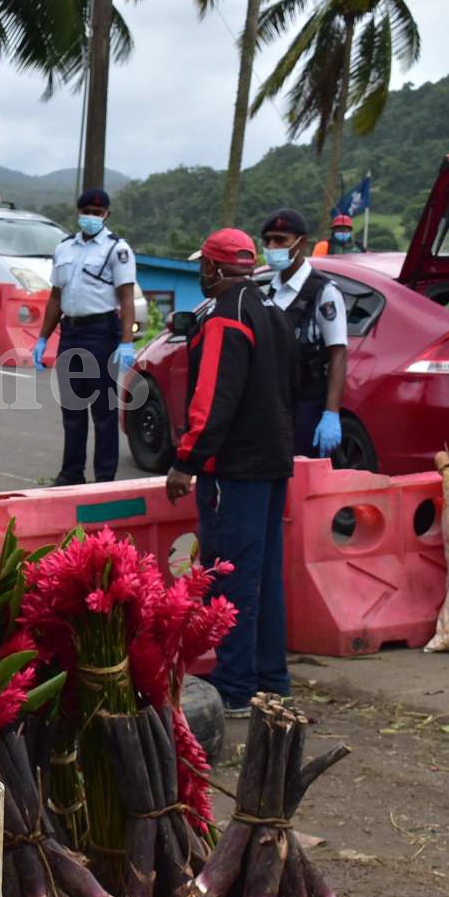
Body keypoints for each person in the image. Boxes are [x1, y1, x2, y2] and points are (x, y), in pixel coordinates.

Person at [165, 229, 296, 717]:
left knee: (232, 574)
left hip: (235, 467)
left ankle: (237, 685)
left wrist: (186, 461)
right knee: (265, 572)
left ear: (215, 270)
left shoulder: (225, 317)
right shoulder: (271, 311)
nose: (200, 273)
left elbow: (213, 398)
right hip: (272, 462)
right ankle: (272, 679)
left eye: (203, 265)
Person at [32, 188, 137, 485]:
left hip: (101, 332)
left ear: (107, 215)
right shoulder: (65, 248)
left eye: (97, 212)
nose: (91, 217)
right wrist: (43, 338)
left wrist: (126, 341)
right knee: (73, 409)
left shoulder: (118, 250)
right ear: (78, 212)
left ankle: (104, 477)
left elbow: (126, 297)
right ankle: (71, 473)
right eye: (86, 211)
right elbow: (56, 295)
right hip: (71, 331)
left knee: (103, 412)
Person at [260, 209, 348, 459]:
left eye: (280, 240)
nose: (272, 246)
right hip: (274, 406)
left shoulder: (323, 292)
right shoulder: (270, 291)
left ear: (302, 242)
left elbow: (338, 354)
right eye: (267, 240)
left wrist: (331, 413)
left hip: (308, 405)